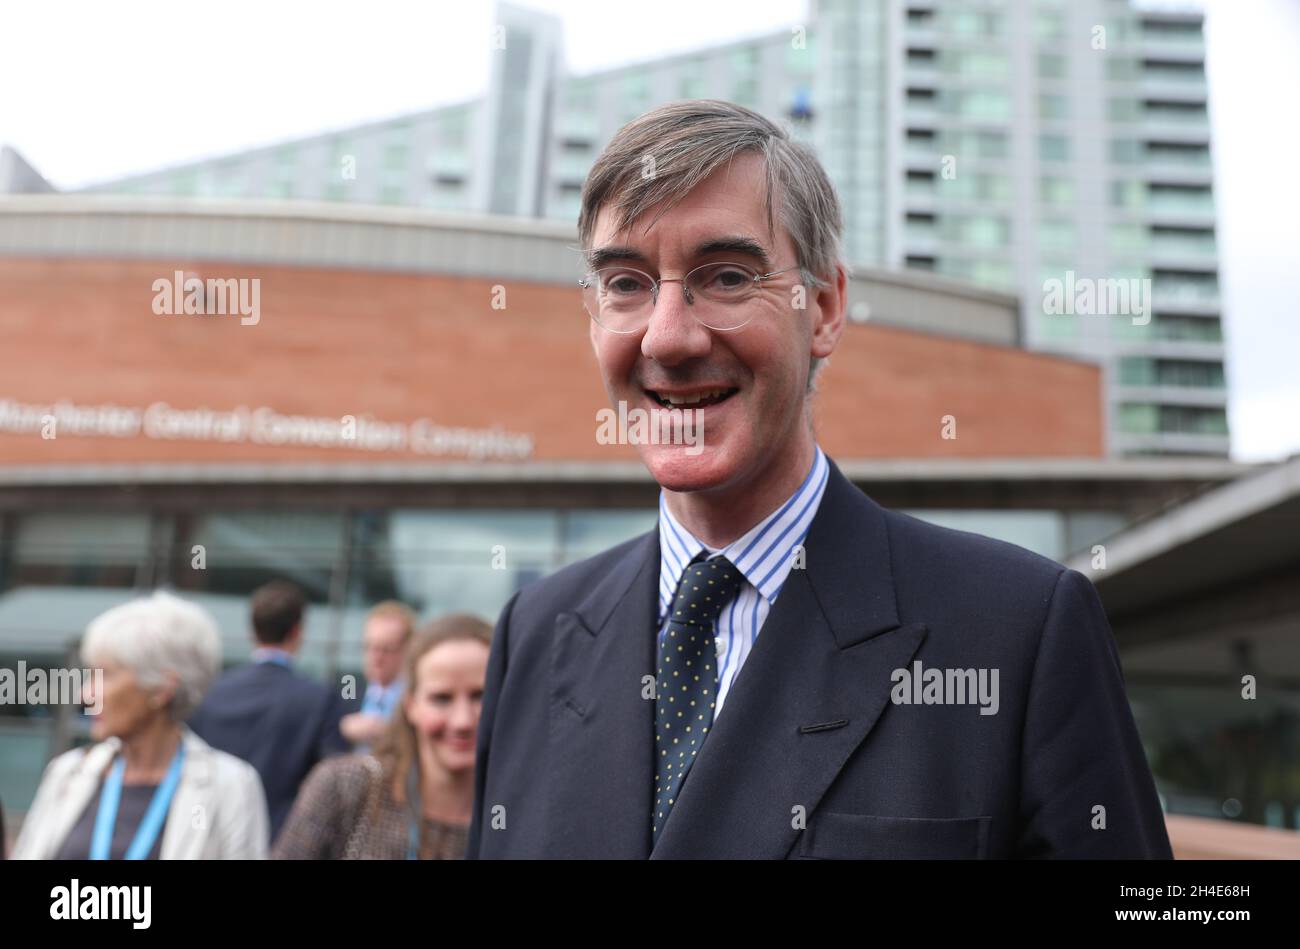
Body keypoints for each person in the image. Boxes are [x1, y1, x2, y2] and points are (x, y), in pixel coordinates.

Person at [466, 100, 1173, 859]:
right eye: (627, 284)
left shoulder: (1020, 632)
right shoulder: (535, 636)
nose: (668, 336)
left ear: (826, 307)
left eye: (727, 276)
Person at [13, 591, 268, 859]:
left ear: (161, 689)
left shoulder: (230, 786)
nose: (86, 695)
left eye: (106, 675)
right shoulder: (67, 773)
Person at [272, 614, 490, 860]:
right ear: (410, 705)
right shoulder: (345, 786)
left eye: (480, 696)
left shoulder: (518, 817)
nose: (463, 721)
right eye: (441, 698)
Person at [188, 580, 348, 842]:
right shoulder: (319, 699)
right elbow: (334, 783)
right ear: (297, 632)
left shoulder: (211, 692)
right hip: (283, 842)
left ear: (253, 631)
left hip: (214, 838)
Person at [340, 600, 415, 750]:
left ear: (407, 650)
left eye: (386, 649)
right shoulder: (350, 689)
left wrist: (387, 732)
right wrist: (343, 728)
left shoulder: (416, 698)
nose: (376, 657)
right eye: (369, 647)